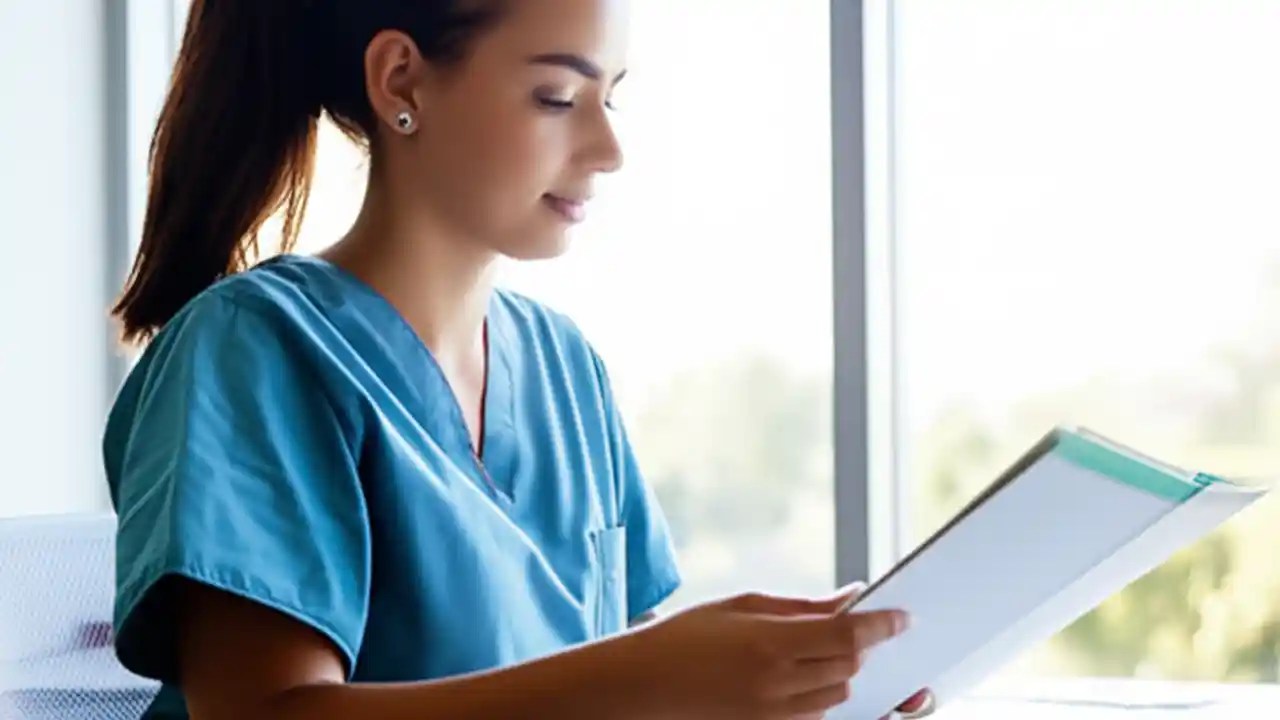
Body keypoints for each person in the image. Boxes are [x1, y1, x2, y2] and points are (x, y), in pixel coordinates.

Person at [102, 1, 934, 718]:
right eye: (559, 97)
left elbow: (620, 687)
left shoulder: (567, 371)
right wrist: (657, 677)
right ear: (401, 81)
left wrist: (794, 685)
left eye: (611, 99)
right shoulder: (257, 350)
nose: (608, 147)